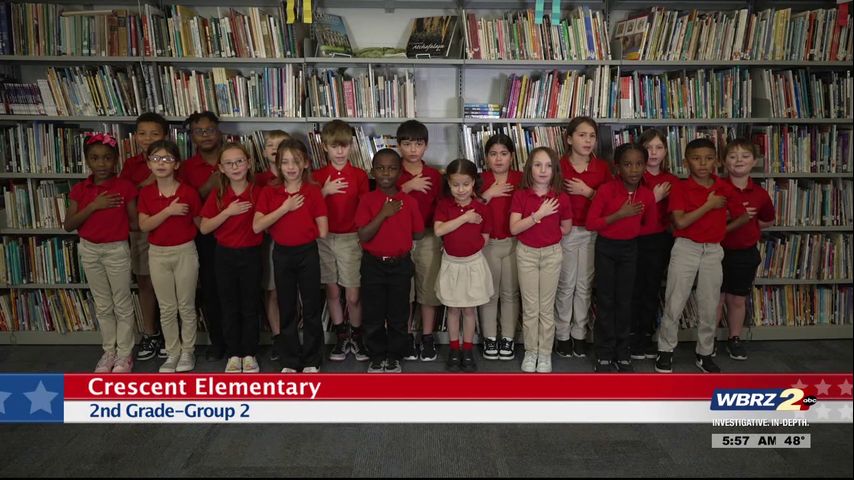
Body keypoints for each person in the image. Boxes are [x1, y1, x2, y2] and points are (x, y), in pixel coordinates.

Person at [656, 138, 749, 374]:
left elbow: (743, 216)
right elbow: (680, 221)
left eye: (708, 158)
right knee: (674, 301)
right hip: (685, 247)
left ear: (716, 161)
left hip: (713, 250)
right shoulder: (680, 187)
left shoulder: (724, 187)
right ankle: (665, 350)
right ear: (686, 162)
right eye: (696, 158)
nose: (703, 163)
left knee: (709, 305)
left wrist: (720, 231)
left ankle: (704, 352)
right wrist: (709, 205)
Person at [64, 132, 138, 373]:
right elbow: (69, 224)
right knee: (103, 304)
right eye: (95, 158)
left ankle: (125, 354)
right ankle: (109, 351)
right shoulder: (80, 189)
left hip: (116, 249)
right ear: (87, 161)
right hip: (90, 250)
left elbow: (134, 221)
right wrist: (94, 206)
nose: (101, 164)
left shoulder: (124, 186)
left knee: (122, 303)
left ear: (115, 160)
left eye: (107, 158)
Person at [253, 139, 328, 373]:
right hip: (282, 253)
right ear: (278, 165)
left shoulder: (313, 191)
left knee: (311, 306)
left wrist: (300, 229)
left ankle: (312, 359)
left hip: (307, 253)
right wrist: (285, 209)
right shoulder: (270, 191)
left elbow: (323, 230)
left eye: (296, 161)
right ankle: (290, 360)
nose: (291, 166)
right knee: (286, 306)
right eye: (284, 161)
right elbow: (257, 226)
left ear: (305, 163)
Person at [586, 143, 657, 373]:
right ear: (617, 167)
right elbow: (591, 223)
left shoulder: (646, 194)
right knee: (606, 301)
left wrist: (631, 229)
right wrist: (619, 215)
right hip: (606, 248)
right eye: (627, 164)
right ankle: (604, 353)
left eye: (639, 164)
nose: (634, 170)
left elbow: (650, 224)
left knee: (625, 302)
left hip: (630, 250)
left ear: (645, 166)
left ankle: (622, 352)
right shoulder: (607, 190)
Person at [355, 149, 425, 373]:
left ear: (400, 172)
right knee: (373, 313)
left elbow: (419, 234)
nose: (386, 172)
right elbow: (364, 235)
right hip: (373, 264)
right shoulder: (367, 200)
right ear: (373, 171)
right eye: (381, 168)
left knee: (398, 313)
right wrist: (384, 213)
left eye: (392, 168)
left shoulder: (409, 201)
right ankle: (376, 355)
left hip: (400, 265)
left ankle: (394, 354)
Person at [137, 139, 202, 373]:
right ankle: (172, 353)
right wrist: (168, 211)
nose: (161, 163)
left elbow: (200, 223)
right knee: (167, 307)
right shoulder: (146, 193)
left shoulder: (188, 192)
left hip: (185, 251)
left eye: (167, 159)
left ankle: (187, 352)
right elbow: (144, 225)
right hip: (158, 254)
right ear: (149, 164)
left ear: (176, 164)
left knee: (185, 305)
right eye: (156, 159)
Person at [200, 143, 264, 373]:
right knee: (229, 306)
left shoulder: (258, 192)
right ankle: (233, 353)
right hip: (224, 255)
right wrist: (227, 212)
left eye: (239, 161)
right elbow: (205, 228)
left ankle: (249, 353)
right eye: (229, 163)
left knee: (249, 305)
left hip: (251, 254)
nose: (235, 166)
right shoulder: (219, 194)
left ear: (248, 163)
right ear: (221, 168)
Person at [509, 147, 573, 373]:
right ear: (529, 168)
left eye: (548, 166)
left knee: (546, 308)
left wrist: (549, 227)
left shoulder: (561, 197)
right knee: (530, 307)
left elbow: (566, 228)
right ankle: (531, 352)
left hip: (551, 254)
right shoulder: (521, 195)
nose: (543, 170)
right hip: (526, 253)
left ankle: (544, 354)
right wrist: (538, 215)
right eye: (537, 165)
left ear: (555, 170)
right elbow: (514, 228)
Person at [555, 116, 612, 359]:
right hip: (565, 233)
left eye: (591, 136)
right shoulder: (558, 166)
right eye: (581, 135)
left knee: (585, 286)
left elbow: (612, 203)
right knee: (566, 285)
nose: (587, 140)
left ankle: (579, 334)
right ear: (569, 139)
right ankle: (562, 335)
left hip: (591, 233)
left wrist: (588, 192)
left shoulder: (602, 168)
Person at [313, 120, 370, 362]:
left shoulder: (359, 175)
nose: (339, 151)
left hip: (350, 238)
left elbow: (366, 209)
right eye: (334, 146)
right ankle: (341, 335)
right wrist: (323, 192)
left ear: (351, 147)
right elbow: (308, 208)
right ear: (324, 146)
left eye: (344, 146)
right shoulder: (316, 176)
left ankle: (357, 336)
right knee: (332, 290)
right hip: (323, 238)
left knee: (353, 293)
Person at [434, 158, 494, 372]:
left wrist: (474, 246)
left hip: (472, 263)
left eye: (466, 184)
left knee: (469, 309)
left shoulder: (481, 207)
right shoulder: (444, 205)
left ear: (474, 183)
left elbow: (486, 235)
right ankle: (453, 348)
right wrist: (465, 218)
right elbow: (439, 231)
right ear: (448, 184)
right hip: (451, 263)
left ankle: (467, 349)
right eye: (455, 184)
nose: (460, 189)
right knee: (452, 309)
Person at [718, 139, 775, 361]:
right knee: (715, 298)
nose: (738, 160)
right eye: (732, 156)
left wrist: (748, 225)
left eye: (744, 156)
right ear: (724, 162)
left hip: (745, 253)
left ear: (754, 162)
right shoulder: (718, 189)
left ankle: (734, 338)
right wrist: (732, 219)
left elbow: (767, 221)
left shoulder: (760, 194)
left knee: (737, 299)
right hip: (718, 251)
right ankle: (708, 341)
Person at [120, 112, 168, 362]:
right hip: (141, 231)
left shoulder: (173, 160)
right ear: (135, 136)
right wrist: (147, 182)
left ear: (166, 136)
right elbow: (124, 197)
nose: (147, 138)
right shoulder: (131, 165)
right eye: (142, 133)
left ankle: (172, 335)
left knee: (172, 287)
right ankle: (151, 333)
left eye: (154, 133)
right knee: (146, 284)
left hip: (171, 232)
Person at [179, 111, 225, 362]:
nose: (206, 135)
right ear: (192, 136)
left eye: (210, 130)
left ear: (219, 132)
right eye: (200, 131)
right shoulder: (186, 168)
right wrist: (210, 186)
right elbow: (186, 202)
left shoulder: (233, 158)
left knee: (238, 291)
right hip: (204, 236)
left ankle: (240, 343)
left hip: (236, 235)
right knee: (210, 291)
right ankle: (218, 342)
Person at [631, 128, 680, 360]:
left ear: (666, 151)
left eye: (658, 147)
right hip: (632, 238)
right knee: (633, 290)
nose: (653, 152)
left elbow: (677, 214)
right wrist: (653, 198)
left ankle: (645, 335)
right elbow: (628, 212)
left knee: (651, 290)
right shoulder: (632, 176)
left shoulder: (670, 180)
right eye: (649, 147)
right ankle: (632, 337)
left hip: (659, 241)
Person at [396, 120, 443, 361]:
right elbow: (382, 203)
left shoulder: (434, 175)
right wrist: (406, 186)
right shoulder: (392, 172)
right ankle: (404, 335)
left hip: (427, 238)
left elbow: (443, 208)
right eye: (407, 144)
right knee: (404, 291)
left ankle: (426, 337)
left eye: (418, 144)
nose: (413, 149)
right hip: (399, 239)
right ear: (398, 146)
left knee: (427, 289)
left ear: (426, 146)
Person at [478, 134, 523, 361]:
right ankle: (489, 337)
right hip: (488, 244)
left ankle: (507, 337)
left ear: (512, 157)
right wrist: (488, 194)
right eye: (493, 154)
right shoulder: (479, 180)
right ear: (486, 158)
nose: (498, 159)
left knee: (510, 293)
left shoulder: (521, 178)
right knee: (489, 293)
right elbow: (468, 209)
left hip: (515, 244)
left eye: (503, 154)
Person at [257, 130, 290, 361]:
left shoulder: (299, 175)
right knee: (272, 290)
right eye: (270, 144)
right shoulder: (259, 181)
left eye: (280, 144)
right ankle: (279, 337)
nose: (274, 148)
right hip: (270, 242)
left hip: (298, 242)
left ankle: (293, 334)